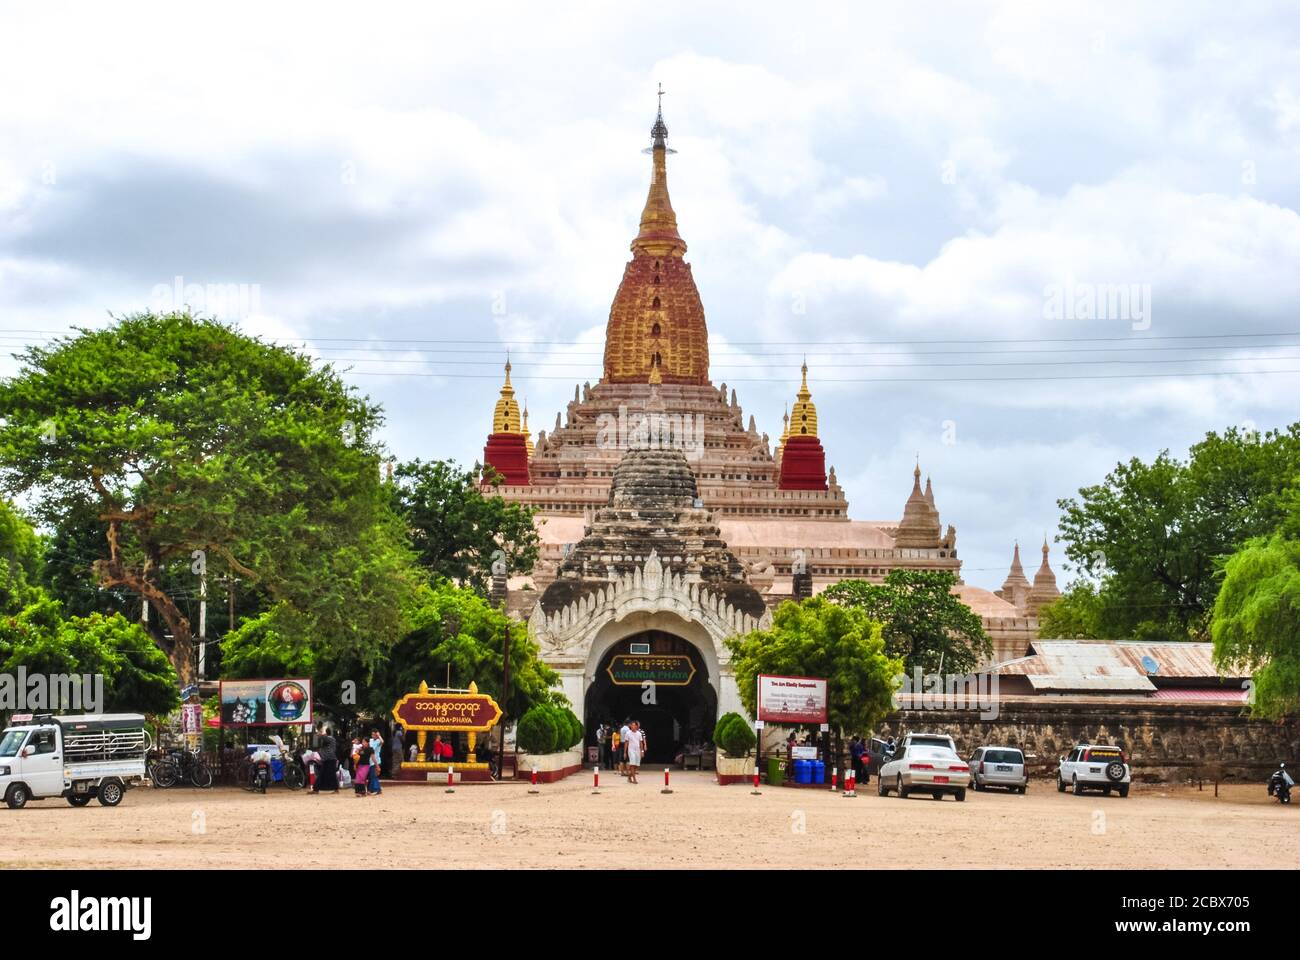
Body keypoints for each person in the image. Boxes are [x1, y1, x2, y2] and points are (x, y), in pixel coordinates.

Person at [313, 724, 339, 794]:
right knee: (324, 774)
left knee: (329, 774)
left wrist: (319, 732)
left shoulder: (330, 738)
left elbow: (324, 737)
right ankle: (316, 789)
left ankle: (316, 789)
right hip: (328, 759)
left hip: (330, 759)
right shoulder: (331, 738)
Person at [368, 729, 384, 794]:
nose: (373, 736)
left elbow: (382, 742)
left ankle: (376, 789)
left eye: (375, 734)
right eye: (372, 734)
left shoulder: (378, 741)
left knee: (374, 775)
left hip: (376, 760)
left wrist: (379, 735)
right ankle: (375, 789)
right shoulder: (370, 740)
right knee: (372, 776)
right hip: (370, 760)